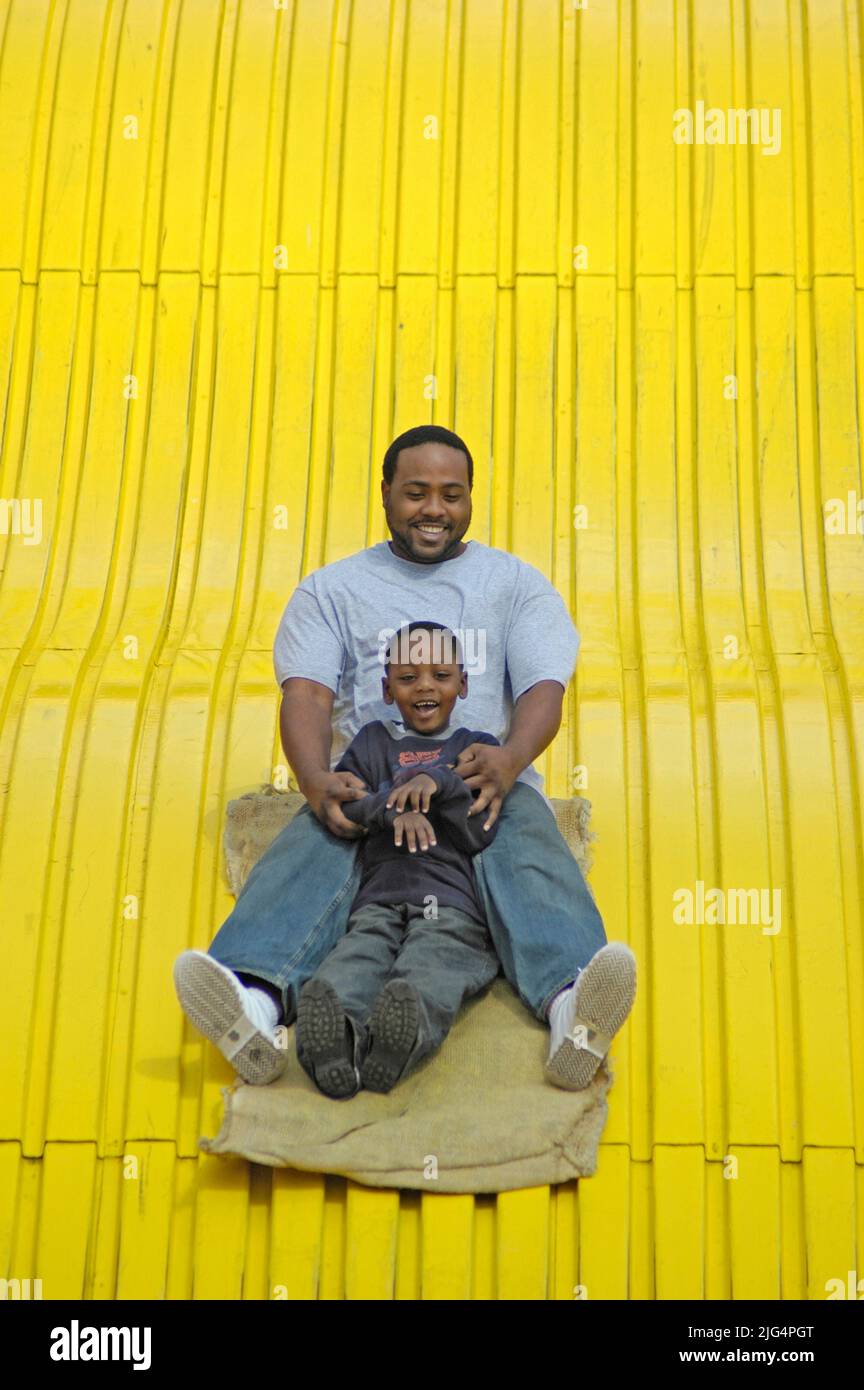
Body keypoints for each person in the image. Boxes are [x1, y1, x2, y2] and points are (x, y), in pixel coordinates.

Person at [172, 424, 636, 1092]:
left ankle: (572, 1008)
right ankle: (254, 1001)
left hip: (480, 781)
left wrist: (510, 760)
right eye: (416, 492)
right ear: (386, 492)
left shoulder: (515, 586)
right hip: (373, 787)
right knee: (316, 836)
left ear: (470, 497)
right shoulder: (332, 591)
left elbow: (544, 688)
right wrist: (315, 781)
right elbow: (306, 693)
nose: (434, 509)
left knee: (526, 839)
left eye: (451, 494)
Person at [294, 621, 502, 1099]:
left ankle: (397, 1044)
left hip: (448, 905)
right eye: (408, 678)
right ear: (388, 690)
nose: (425, 686)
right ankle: (335, 1045)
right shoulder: (372, 743)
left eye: (440, 675)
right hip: (379, 900)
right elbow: (344, 805)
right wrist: (391, 810)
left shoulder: (476, 747)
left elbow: (479, 830)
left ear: (463, 684)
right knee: (353, 961)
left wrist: (437, 783)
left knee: (431, 967)